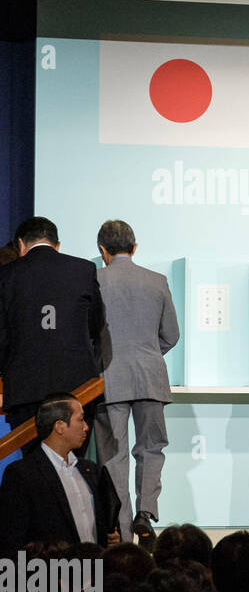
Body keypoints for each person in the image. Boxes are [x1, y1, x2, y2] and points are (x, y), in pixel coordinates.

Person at [92, 220, 179, 550]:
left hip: (109, 377)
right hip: (150, 376)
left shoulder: (96, 279)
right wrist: (149, 355)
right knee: (152, 448)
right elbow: (171, 335)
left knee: (113, 457)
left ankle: (122, 534)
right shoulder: (157, 281)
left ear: (102, 250)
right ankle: (146, 511)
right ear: (135, 247)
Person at [0, 217, 105, 456]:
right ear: (57, 245)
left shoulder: (7, 275)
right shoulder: (83, 269)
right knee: (73, 465)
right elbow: (96, 324)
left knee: (35, 465)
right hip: (77, 388)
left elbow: (2, 336)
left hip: (25, 388)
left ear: (21, 244)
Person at [0, 394, 121, 554]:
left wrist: (113, 539)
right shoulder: (21, 474)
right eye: (80, 420)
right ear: (60, 426)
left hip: (96, 574)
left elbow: (107, 524)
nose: (86, 426)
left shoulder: (91, 470)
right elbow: (12, 540)